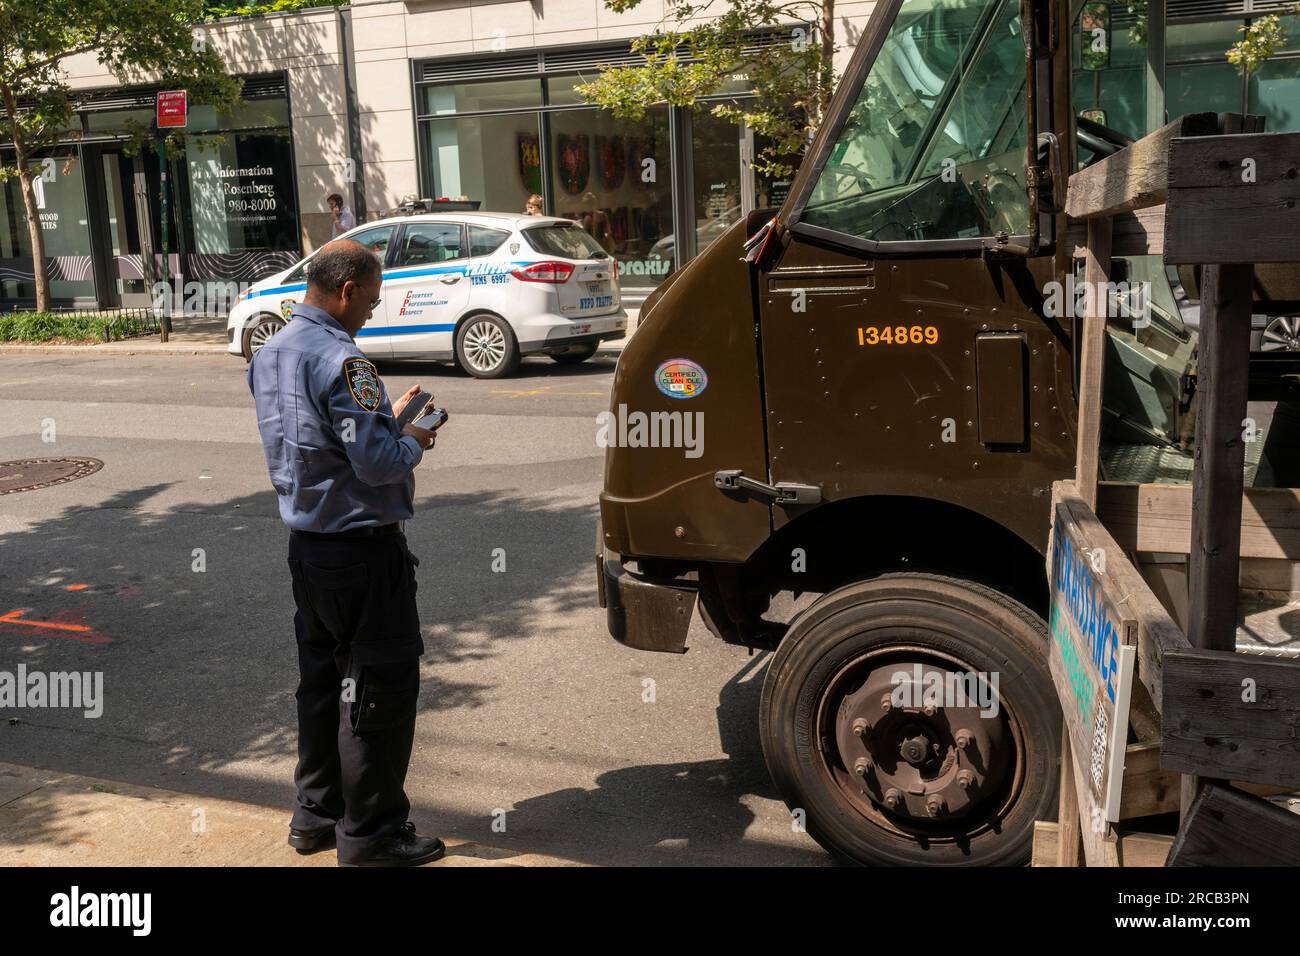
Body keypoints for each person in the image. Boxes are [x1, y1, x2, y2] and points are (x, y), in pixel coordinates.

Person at [247, 239, 445, 867]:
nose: (372, 308)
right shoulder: (344, 360)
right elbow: (378, 463)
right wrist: (412, 435)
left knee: (322, 685)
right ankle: (373, 835)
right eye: (371, 298)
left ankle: (315, 816)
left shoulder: (270, 351)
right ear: (344, 291)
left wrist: (386, 419)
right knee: (379, 690)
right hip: (363, 552)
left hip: (308, 548)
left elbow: (320, 440)